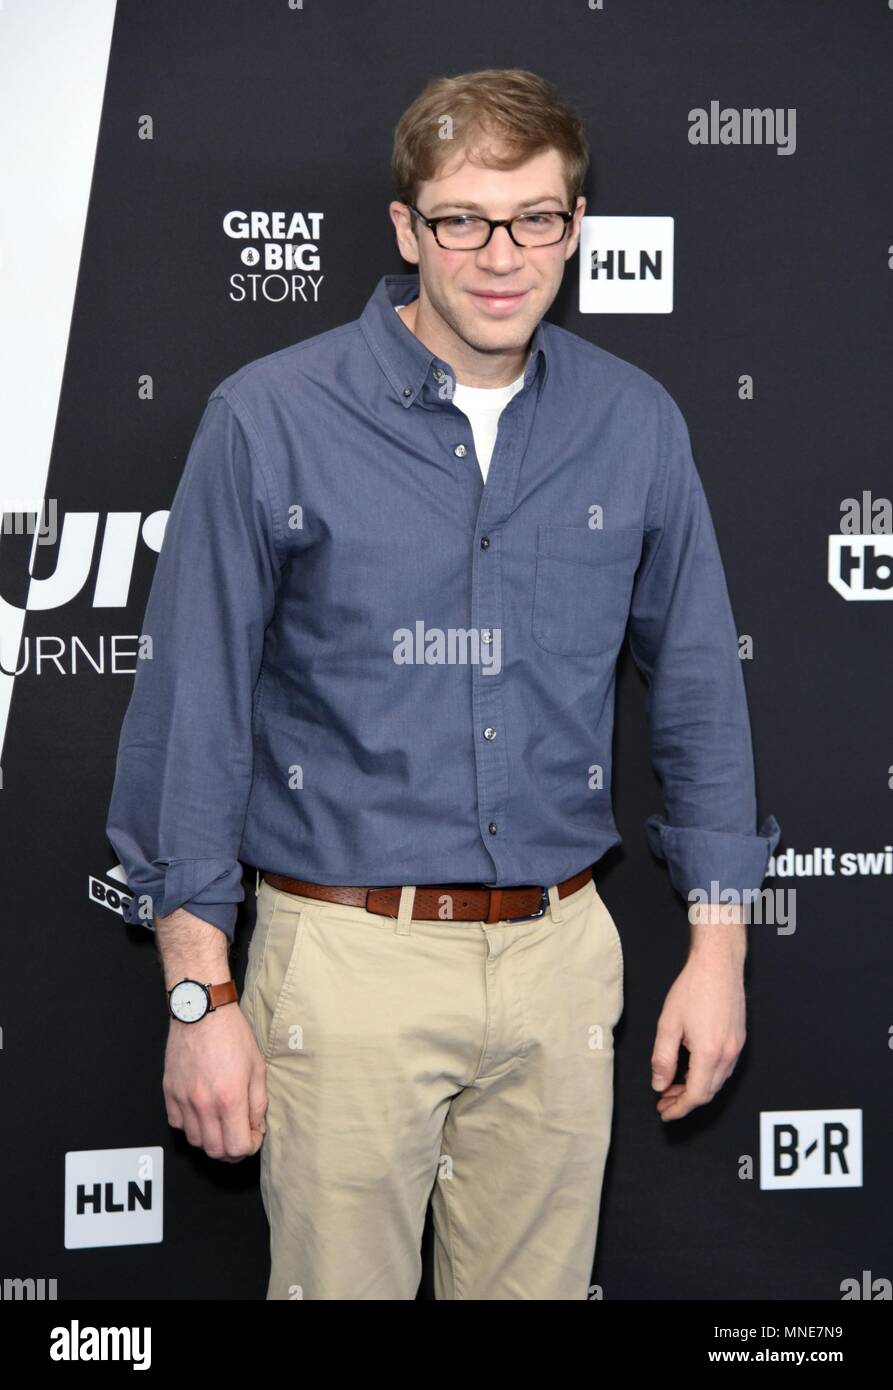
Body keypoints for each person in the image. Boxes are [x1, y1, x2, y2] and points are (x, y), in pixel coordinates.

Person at [106, 67, 780, 1300]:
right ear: (407, 228)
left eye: (535, 218)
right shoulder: (271, 420)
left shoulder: (633, 425)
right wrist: (198, 993)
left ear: (574, 225)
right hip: (343, 961)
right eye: (462, 219)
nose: (500, 255)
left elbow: (697, 688)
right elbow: (188, 721)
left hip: (562, 956)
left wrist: (719, 946)